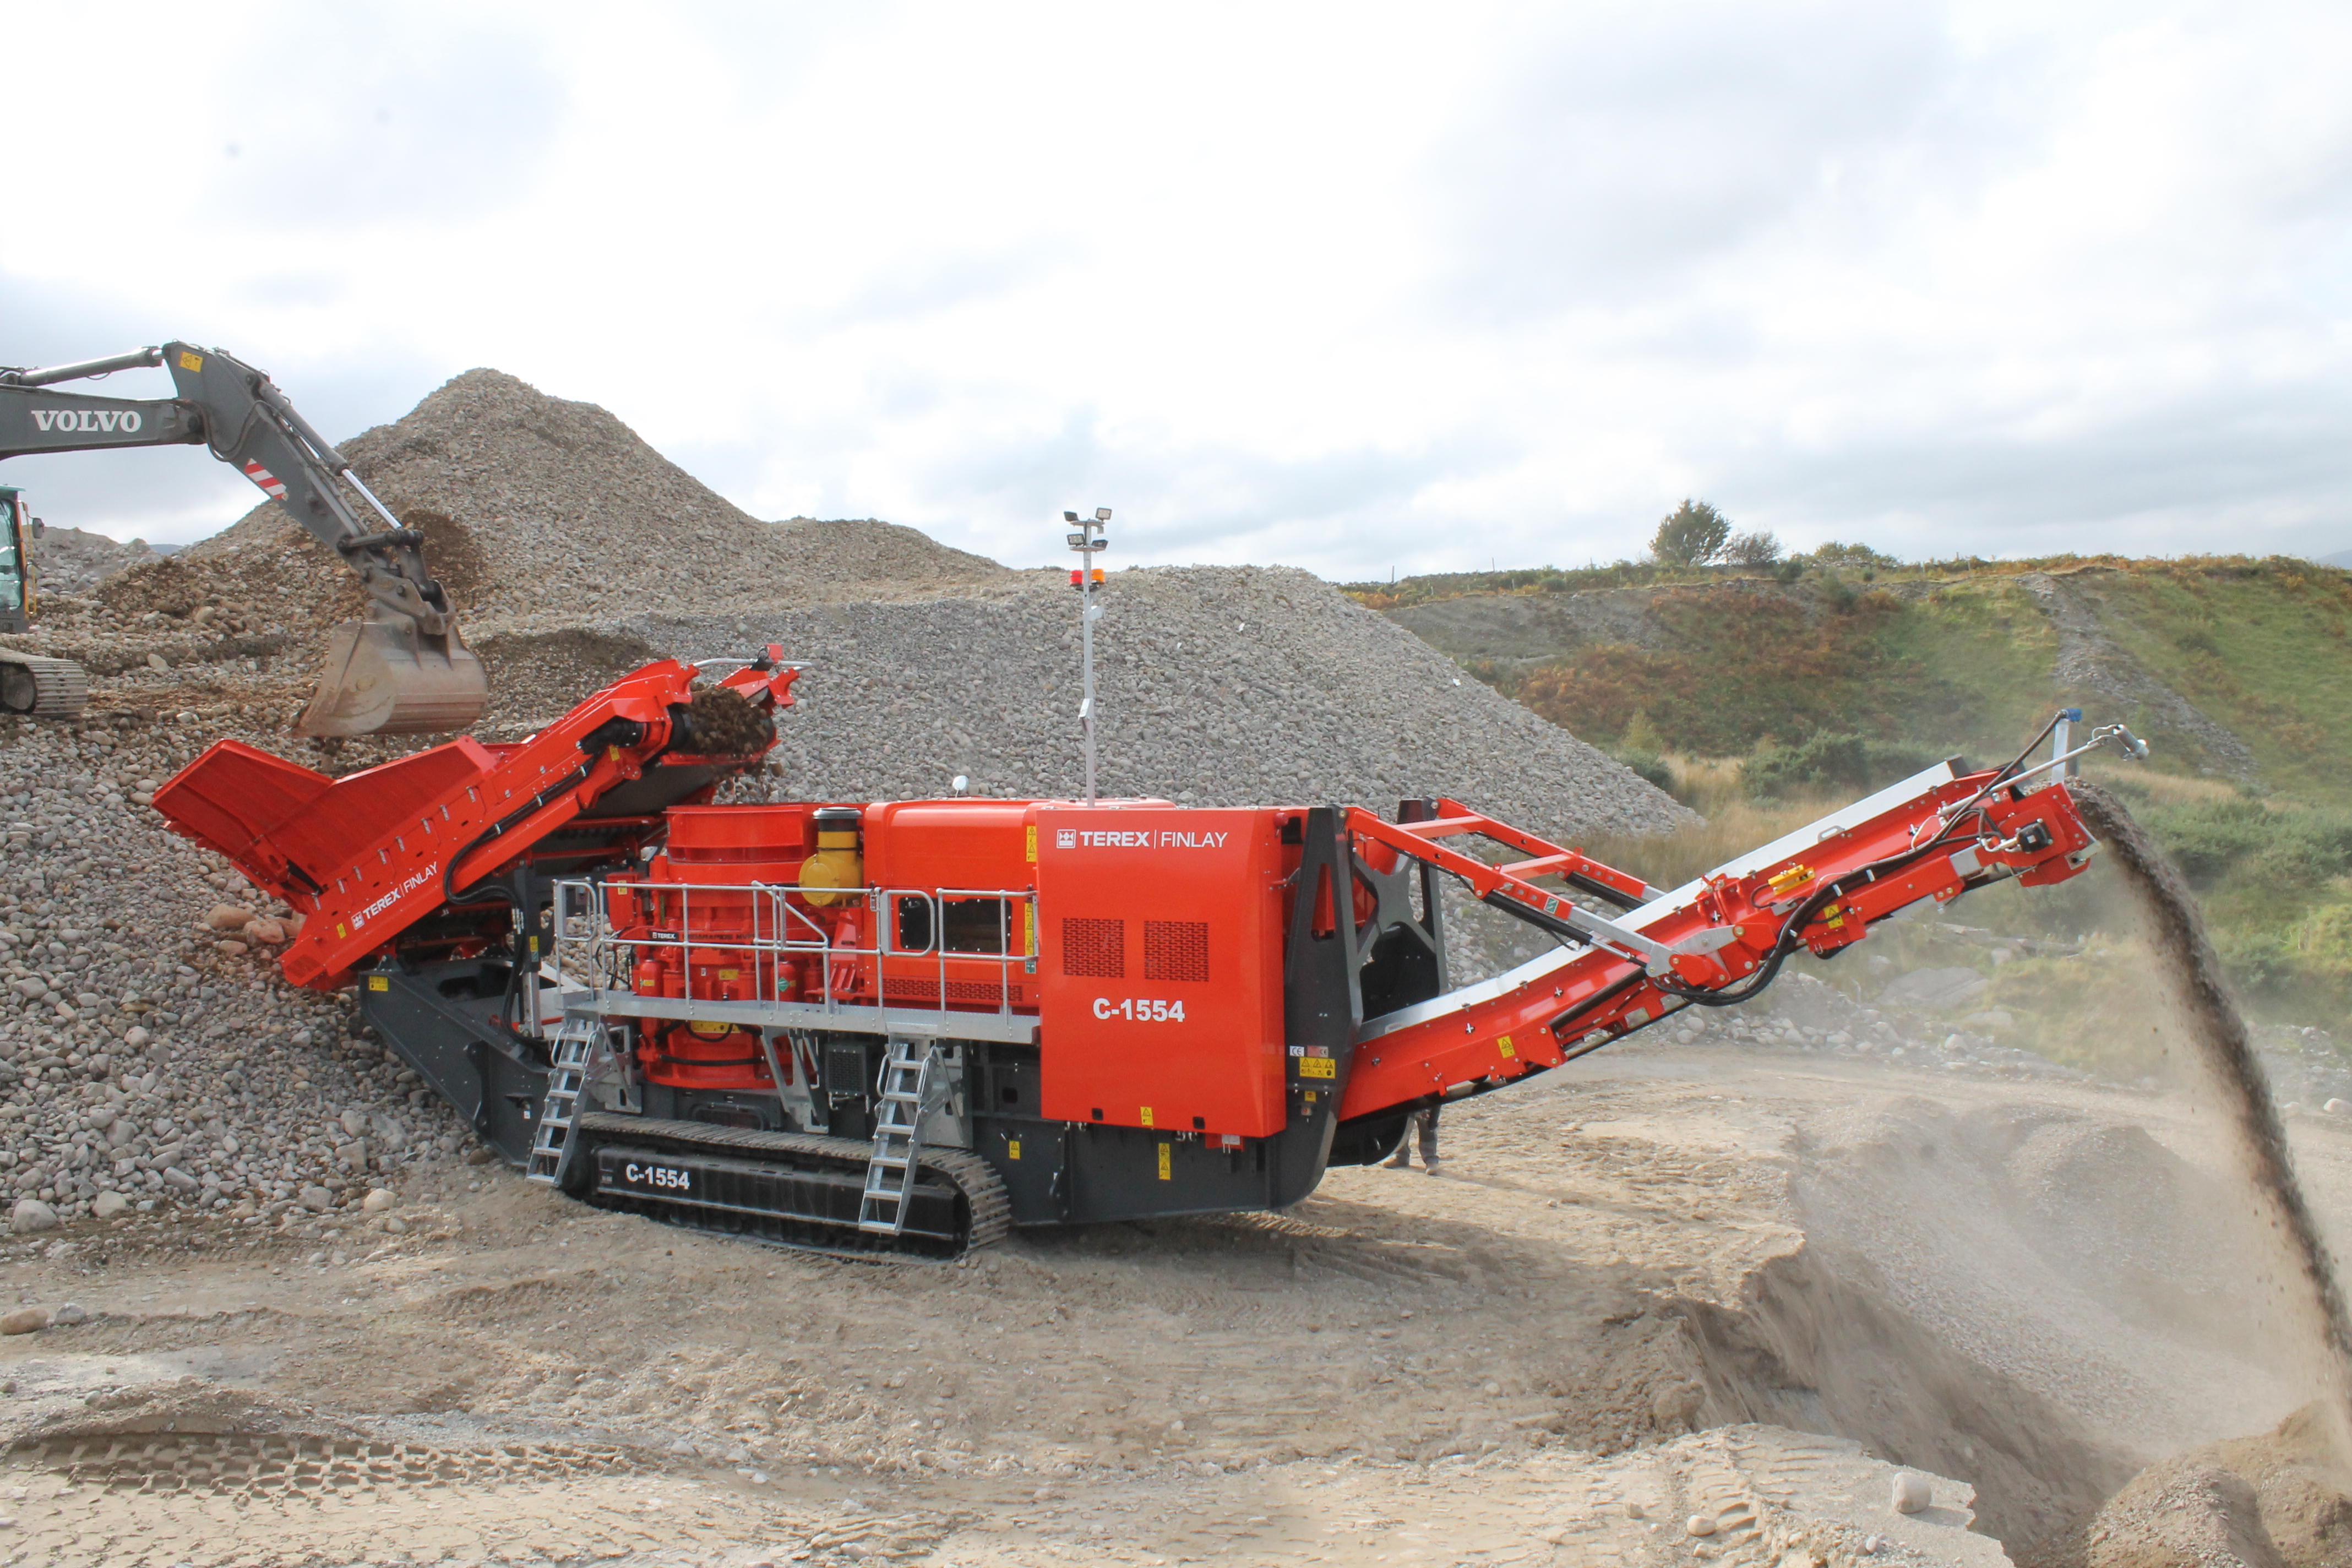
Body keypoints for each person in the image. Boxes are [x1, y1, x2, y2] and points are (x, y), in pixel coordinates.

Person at [1385, 1106, 1440, 1174]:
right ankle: (1401, 1157)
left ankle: (1431, 1160)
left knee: (1426, 1124)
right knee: (1402, 1123)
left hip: (1424, 1097)